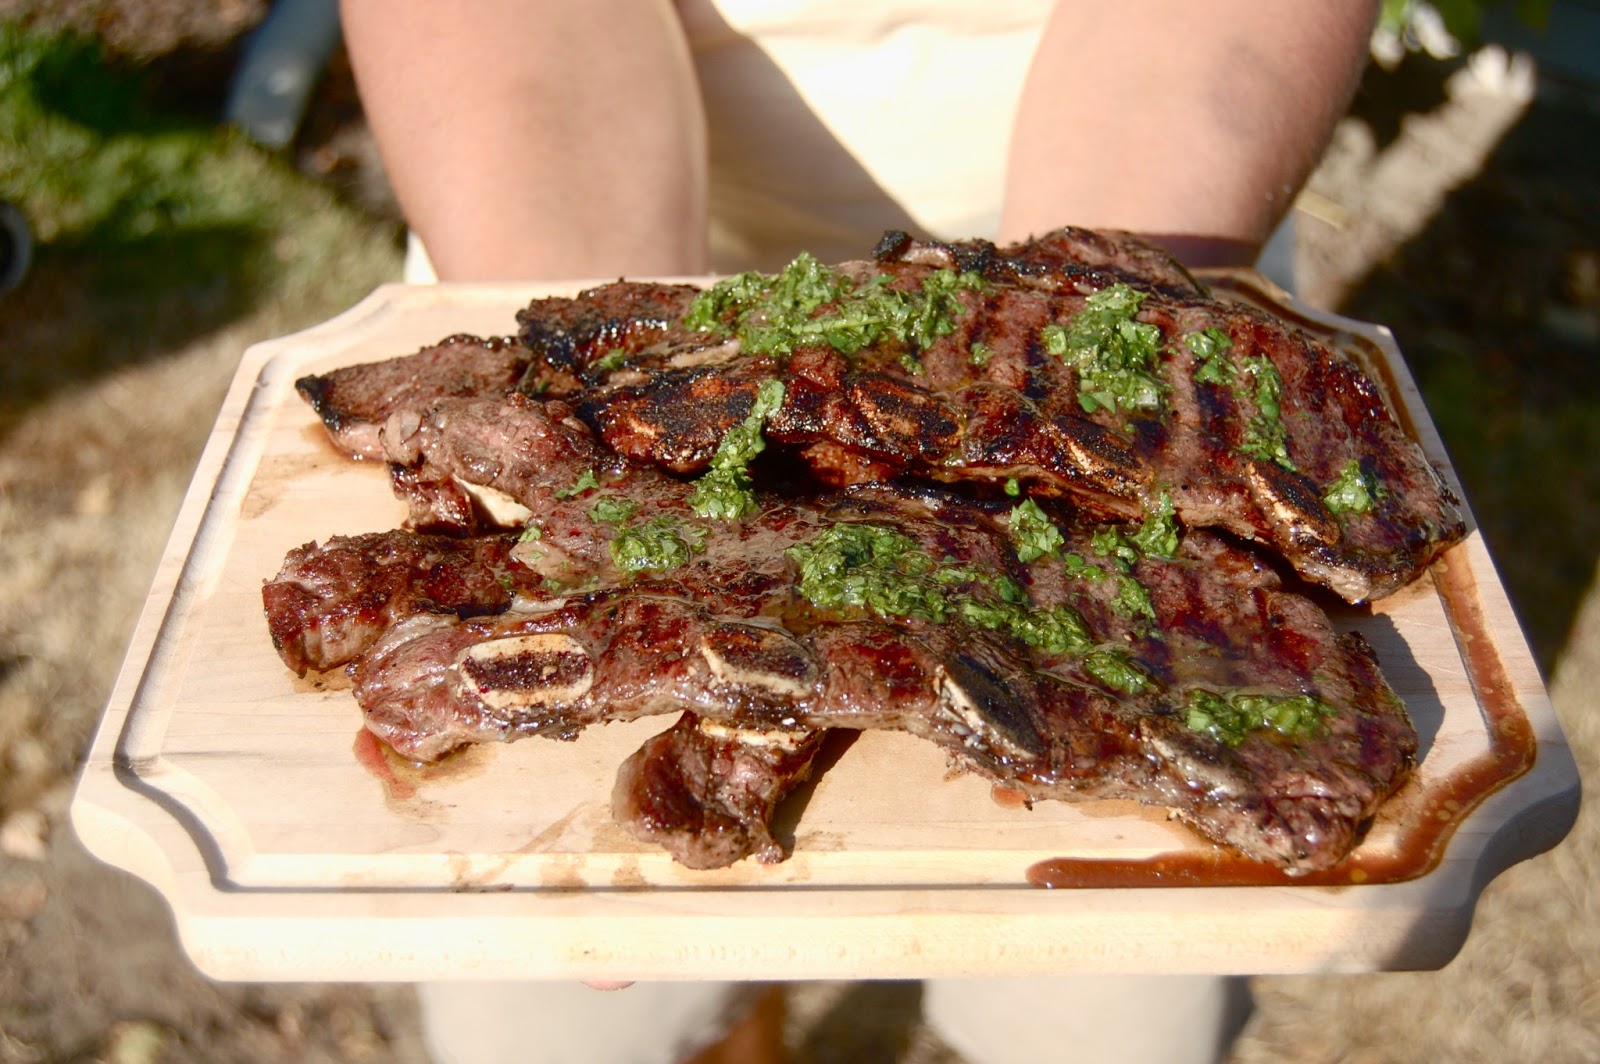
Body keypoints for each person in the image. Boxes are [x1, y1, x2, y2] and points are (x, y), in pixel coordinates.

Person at [337, 3, 1381, 1063]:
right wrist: (604, 433)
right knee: (574, 1025)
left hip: (1147, 234)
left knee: (1100, 1023)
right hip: (598, 230)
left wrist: (1084, 362)